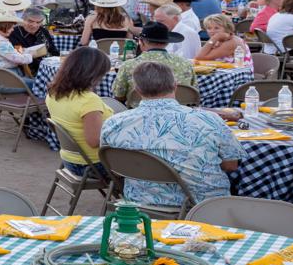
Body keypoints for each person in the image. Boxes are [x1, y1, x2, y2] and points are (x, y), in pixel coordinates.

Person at [101, 61, 240, 208]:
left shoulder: (114, 123)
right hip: (202, 205)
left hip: (141, 203)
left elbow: (114, 167)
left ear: (137, 90)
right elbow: (231, 165)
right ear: (175, 85)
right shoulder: (210, 119)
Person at [46, 46, 113, 178]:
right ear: (94, 74)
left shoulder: (53, 92)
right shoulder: (89, 101)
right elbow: (94, 141)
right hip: (92, 165)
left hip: (70, 159)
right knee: (141, 163)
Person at [111, 21, 195, 101]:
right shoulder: (186, 64)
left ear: (141, 42)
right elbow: (193, 93)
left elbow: (118, 96)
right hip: (180, 111)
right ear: (167, 43)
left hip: (138, 112)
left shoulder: (128, 65)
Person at [8, 8, 58, 75]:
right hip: (32, 71)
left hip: (51, 66)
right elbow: (20, 55)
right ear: (23, 19)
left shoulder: (43, 31)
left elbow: (53, 50)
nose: (34, 25)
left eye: (38, 22)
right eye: (30, 21)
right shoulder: (14, 33)